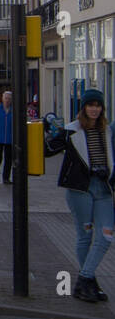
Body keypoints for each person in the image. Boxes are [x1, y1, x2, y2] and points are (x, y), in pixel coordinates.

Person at [56, 89, 113, 303]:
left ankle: (84, 279)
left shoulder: (108, 130)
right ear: (83, 108)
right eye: (91, 105)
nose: (95, 109)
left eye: (98, 106)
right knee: (85, 237)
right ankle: (90, 283)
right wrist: (49, 130)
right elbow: (48, 150)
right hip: (81, 190)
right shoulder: (71, 130)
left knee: (106, 236)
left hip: (104, 190)